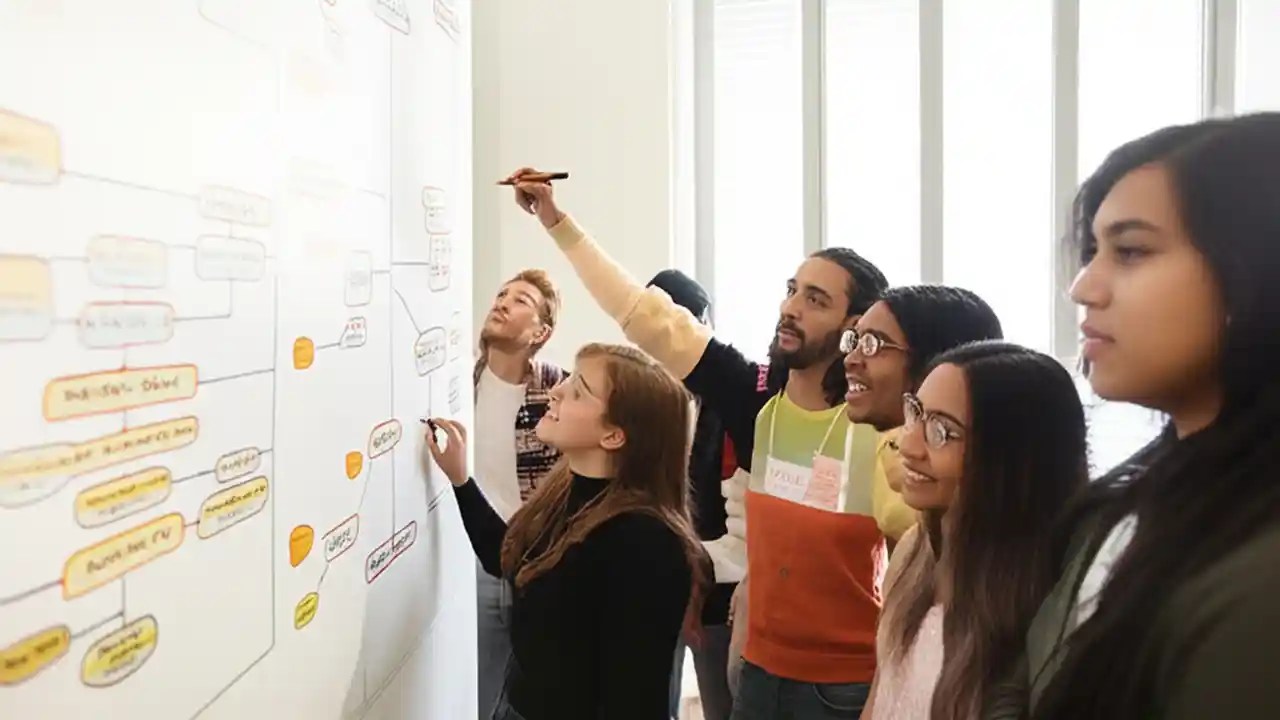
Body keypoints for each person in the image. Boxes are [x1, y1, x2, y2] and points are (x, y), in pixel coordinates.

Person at [504, 168, 913, 719]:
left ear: (853, 324)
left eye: (816, 299)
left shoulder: (878, 426)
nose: (791, 307)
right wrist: (558, 223)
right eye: (791, 290)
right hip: (759, 669)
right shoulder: (754, 399)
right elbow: (645, 315)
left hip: (843, 687)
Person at [986, 113, 1280, 719]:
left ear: (1255, 271)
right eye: (1094, 251)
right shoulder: (1140, 496)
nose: (1083, 287)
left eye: (1132, 251)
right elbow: (1034, 672)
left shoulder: (1259, 573)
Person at [428, 343, 707, 720]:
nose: (557, 390)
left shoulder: (647, 543)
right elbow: (507, 559)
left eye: (578, 391)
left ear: (613, 436)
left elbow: (638, 699)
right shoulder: (566, 490)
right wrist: (461, 481)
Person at [862, 342, 1088, 719]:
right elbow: (880, 699)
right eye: (914, 413)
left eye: (943, 431)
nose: (908, 444)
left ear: (1010, 460)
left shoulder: (1053, 604)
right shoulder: (914, 553)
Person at [470, 269, 567, 720]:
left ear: (540, 332)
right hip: (474, 564)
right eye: (501, 293)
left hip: (540, 566)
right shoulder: (455, 386)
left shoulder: (560, 394)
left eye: (521, 300)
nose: (503, 302)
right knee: (481, 691)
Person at [647, 268, 736, 720]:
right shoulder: (644, 400)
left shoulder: (729, 401)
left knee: (721, 699)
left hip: (720, 583)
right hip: (656, 573)